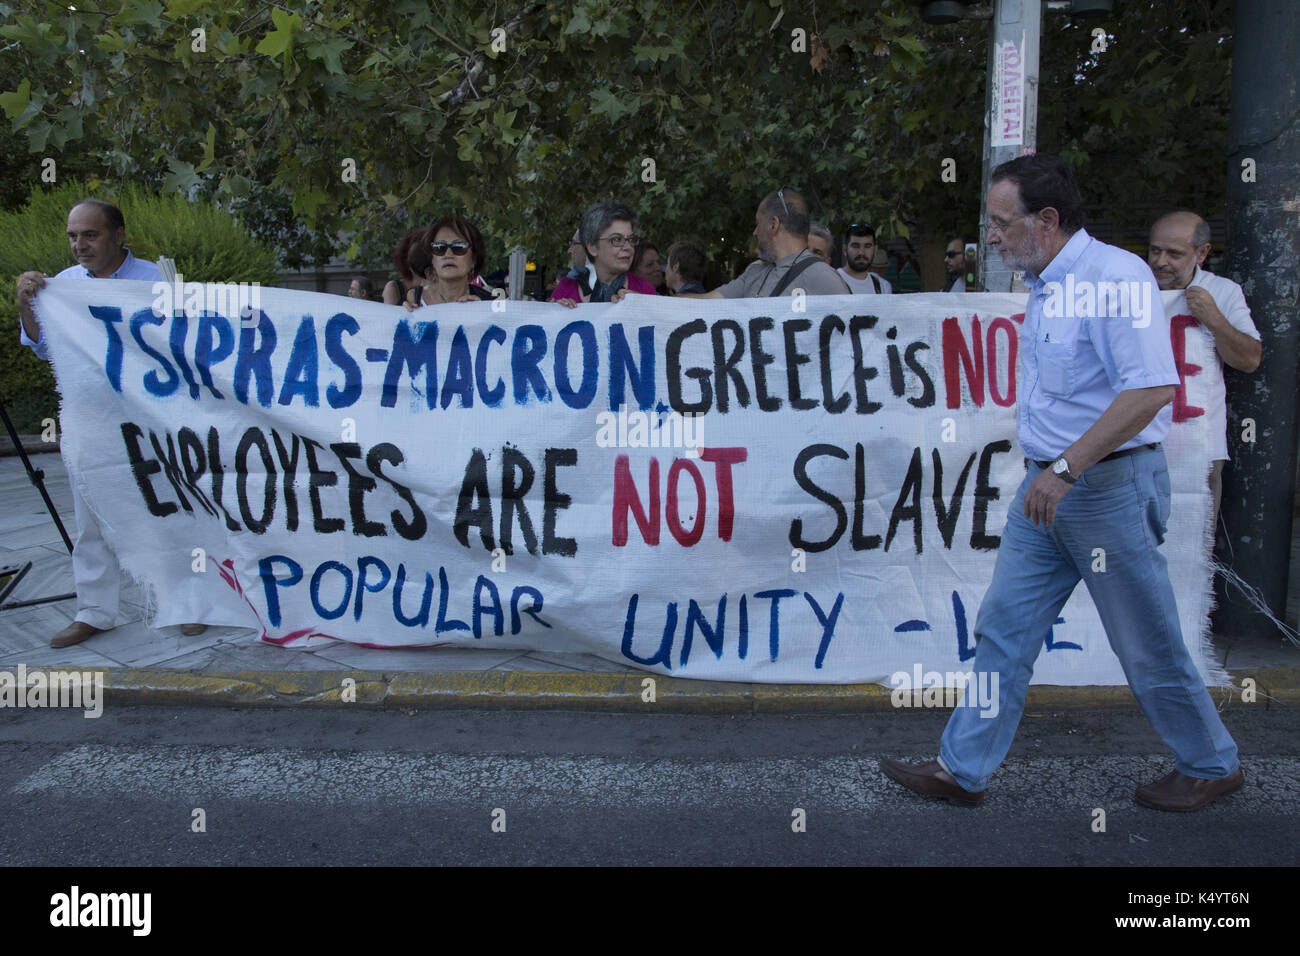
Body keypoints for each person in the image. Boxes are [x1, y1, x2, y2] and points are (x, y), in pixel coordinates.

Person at [880, 154, 1243, 812]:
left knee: (1146, 641)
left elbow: (1153, 388)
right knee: (1005, 628)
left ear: (1046, 220)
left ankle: (1211, 762)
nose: (991, 237)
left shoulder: (1115, 277)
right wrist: (1053, 472)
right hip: (1051, 490)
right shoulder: (1047, 281)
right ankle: (962, 769)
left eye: (1000, 222)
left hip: (1103, 488)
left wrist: (1067, 468)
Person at [15, 199, 207, 647]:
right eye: (73, 236)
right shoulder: (62, 286)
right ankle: (95, 611)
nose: (79, 245)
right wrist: (27, 303)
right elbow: (41, 346)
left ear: (118, 235)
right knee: (92, 520)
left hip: (150, 420)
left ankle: (189, 603)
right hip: (90, 422)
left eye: (90, 234)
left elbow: (183, 345)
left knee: (169, 512)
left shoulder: (156, 280)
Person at [1147, 210, 1262, 521]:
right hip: (1132, 440)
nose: (1160, 262)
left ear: (1202, 253)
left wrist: (1213, 318)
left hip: (1197, 445)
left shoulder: (1223, 292)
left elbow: (1250, 359)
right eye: (1155, 250)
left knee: (1191, 539)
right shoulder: (1133, 286)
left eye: (1174, 254)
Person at [678, 188, 849, 298]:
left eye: (758, 223)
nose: (754, 232)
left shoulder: (823, 277)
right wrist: (656, 306)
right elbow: (707, 303)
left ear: (773, 225)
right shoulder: (755, 272)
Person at [550, 201, 657, 305]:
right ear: (592, 247)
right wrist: (559, 313)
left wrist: (643, 308)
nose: (628, 247)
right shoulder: (565, 288)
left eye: (631, 239)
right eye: (616, 239)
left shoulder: (644, 289)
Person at [406, 216, 495, 306]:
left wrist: (483, 316)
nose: (448, 255)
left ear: (473, 260)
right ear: (432, 259)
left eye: (459, 247)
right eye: (439, 247)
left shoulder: (489, 303)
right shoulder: (414, 298)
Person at [837, 222, 892, 294]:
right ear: (845, 249)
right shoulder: (832, 281)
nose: (861, 253)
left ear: (875, 250)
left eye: (867, 246)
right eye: (855, 246)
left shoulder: (882, 287)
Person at [382, 230, 423, 305]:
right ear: (405, 258)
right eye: (416, 255)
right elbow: (389, 315)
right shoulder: (393, 287)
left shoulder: (436, 284)